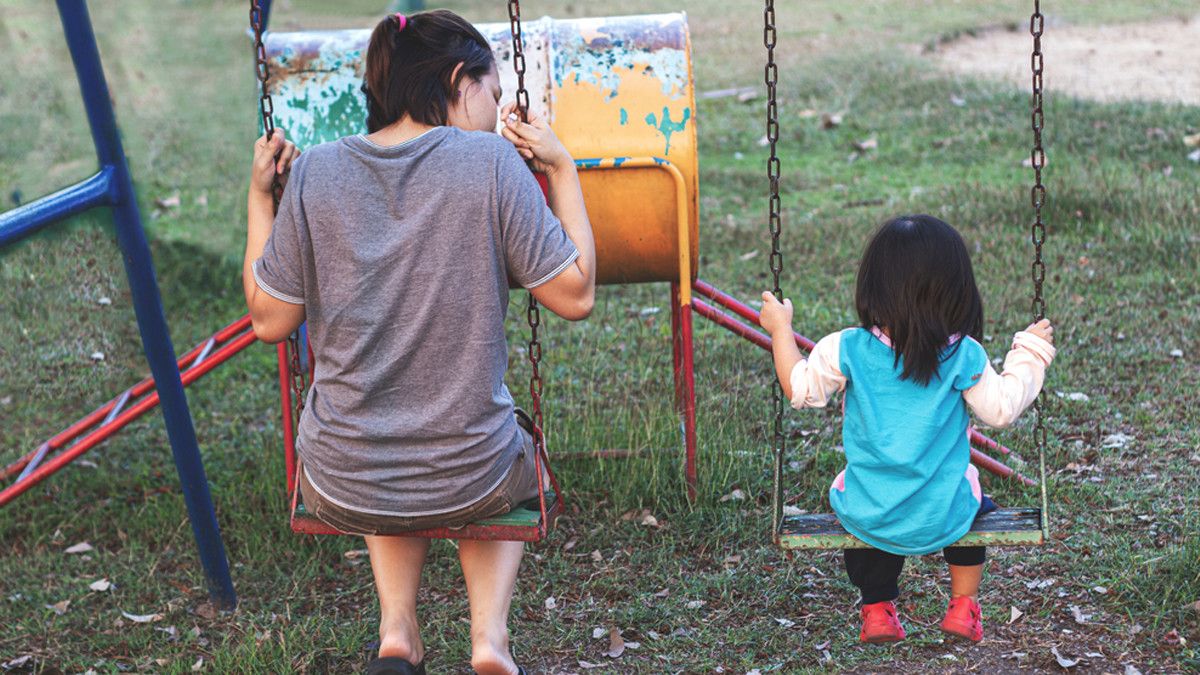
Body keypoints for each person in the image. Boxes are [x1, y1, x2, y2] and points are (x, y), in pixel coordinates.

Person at [243, 10, 594, 674]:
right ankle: (489, 640)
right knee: (507, 454)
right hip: (471, 473)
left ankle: (397, 633)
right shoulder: (490, 162)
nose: (496, 111)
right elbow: (574, 294)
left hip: (339, 479)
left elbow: (268, 321)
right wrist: (563, 169)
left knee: (387, 426)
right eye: (492, 93)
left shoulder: (315, 171)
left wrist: (261, 201)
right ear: (460, 81)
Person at [758, 214, 1055, 644]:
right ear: (957, 291)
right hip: (944, 512)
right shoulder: (963, 355)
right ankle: (963, 605)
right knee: (974, 503)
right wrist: (1029, 352)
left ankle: (877, 610)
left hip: (871, 509)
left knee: (862, 513)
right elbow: (1002, 409)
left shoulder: (846, 349)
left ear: (873, 287)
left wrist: (781, 330)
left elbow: (800, 390)